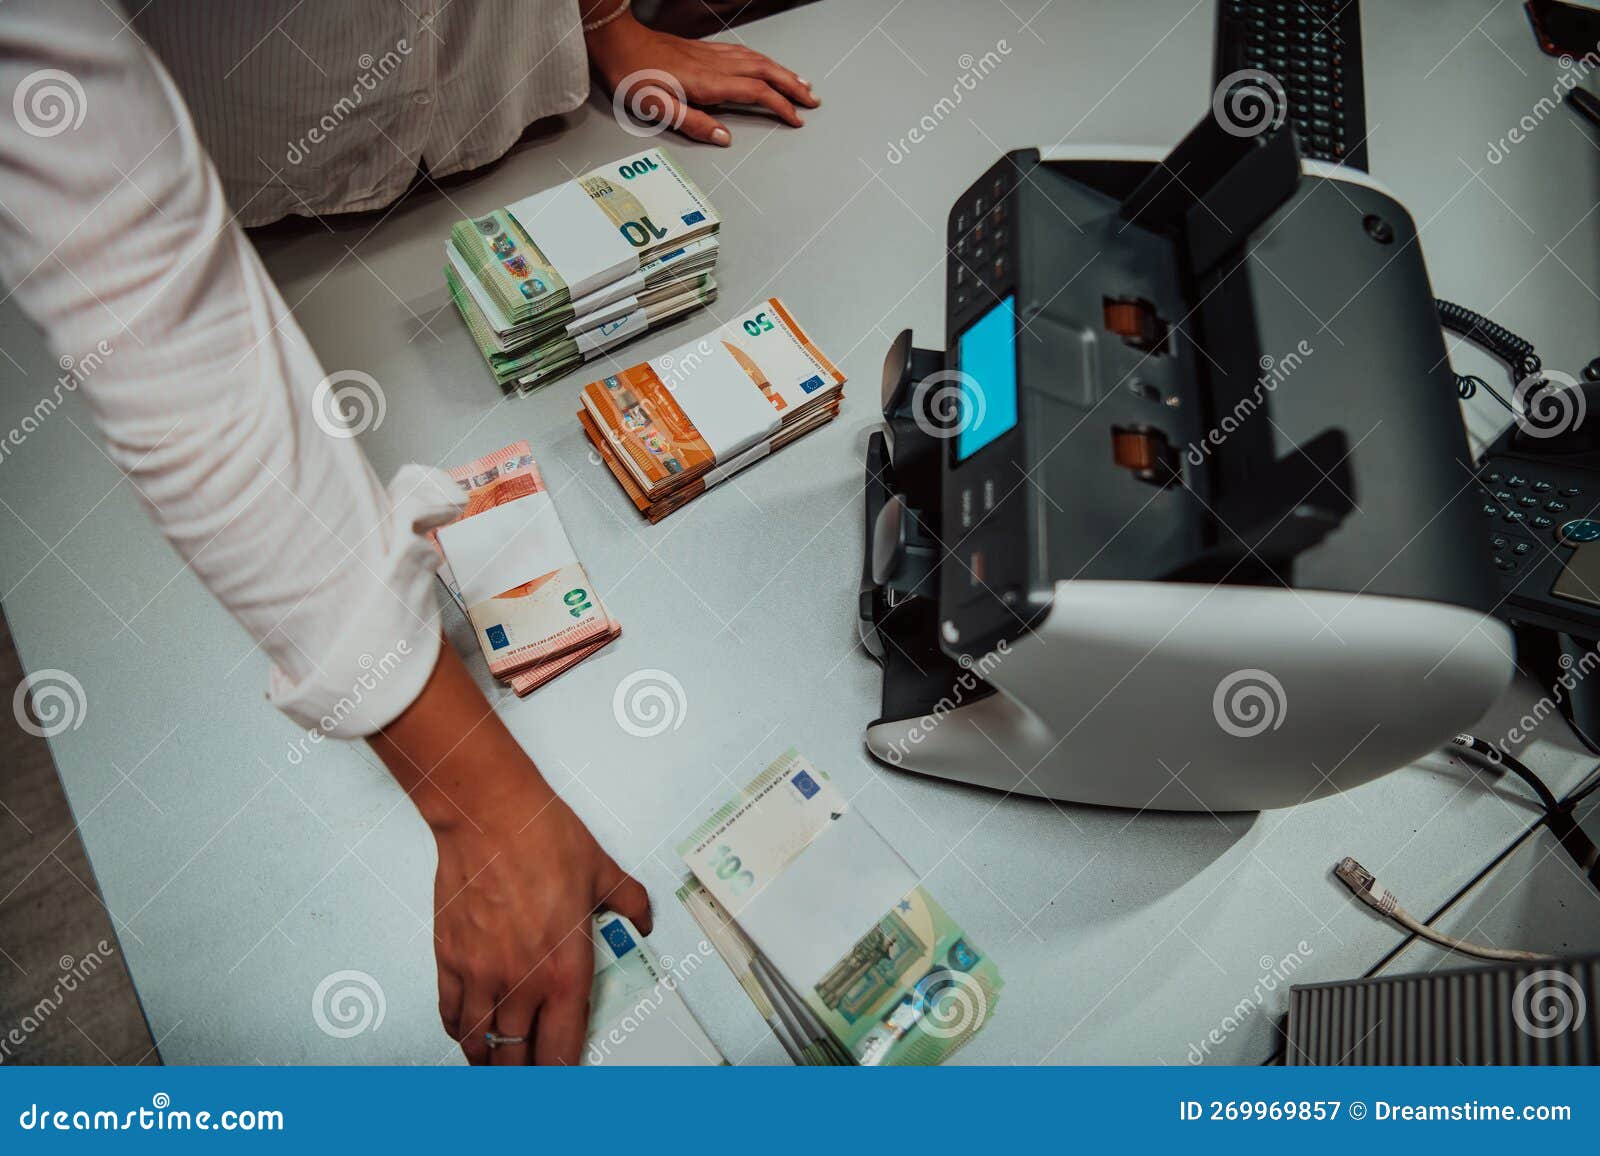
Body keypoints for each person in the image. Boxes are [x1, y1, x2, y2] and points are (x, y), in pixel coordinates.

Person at [0, 0, 815, 1065]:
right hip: (262, 195)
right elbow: (150, 301)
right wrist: (479, 808)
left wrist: (605, 19)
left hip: (516, 89)